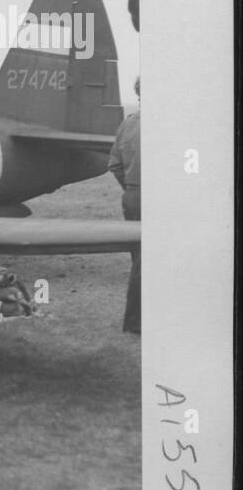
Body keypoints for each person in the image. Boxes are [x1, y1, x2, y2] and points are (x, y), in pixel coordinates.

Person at [109, 77, 140, 333]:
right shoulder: (170, 125)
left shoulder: (127, 124)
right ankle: (136, 323)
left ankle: (136, 321)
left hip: (132, 196)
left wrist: (131, 187)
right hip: (157, 197)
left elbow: (115, 165)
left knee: (138, 258)